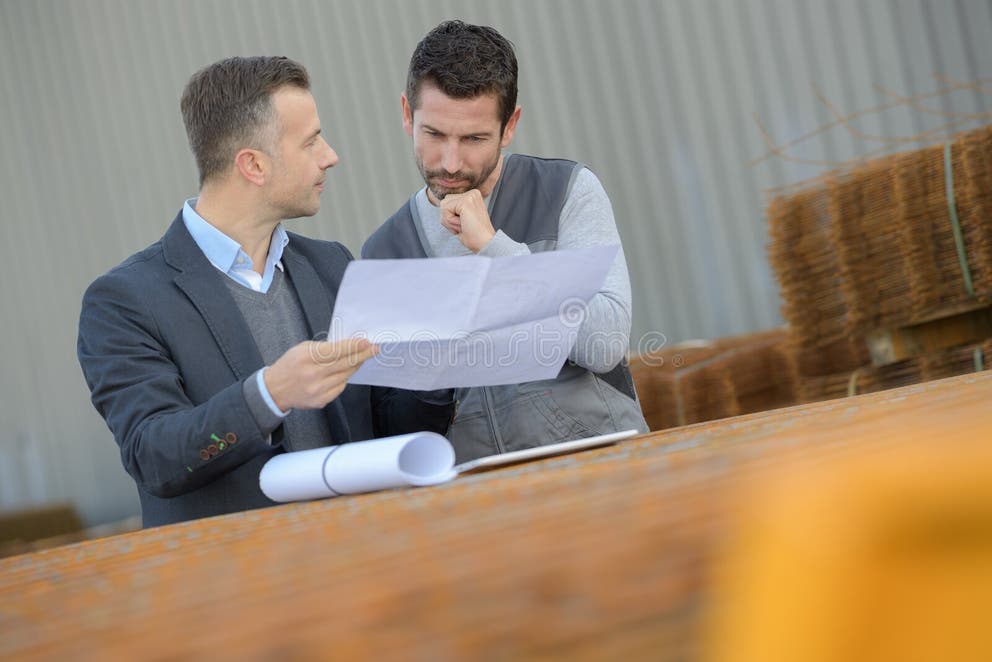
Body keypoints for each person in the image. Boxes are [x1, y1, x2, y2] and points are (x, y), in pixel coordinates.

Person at [77, 57, 454, 527]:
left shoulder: (332, 264)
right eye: (311, 141)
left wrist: (437, 365)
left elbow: (389, 428)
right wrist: (269, 394)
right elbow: (156, 456)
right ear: (253, 165)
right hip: (236, 585)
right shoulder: (124, 302)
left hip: (362, 560)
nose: (330, 155)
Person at [363, 21, 648, 462]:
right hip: (480, 495)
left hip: (601, 466)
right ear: (406, 114)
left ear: (510, 125)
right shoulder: (386, 249)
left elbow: (604, 344)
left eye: (474, 139)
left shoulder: (565, 190)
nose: (450, 162)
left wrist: (497, 251)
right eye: (434, 134)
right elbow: (396, 422)